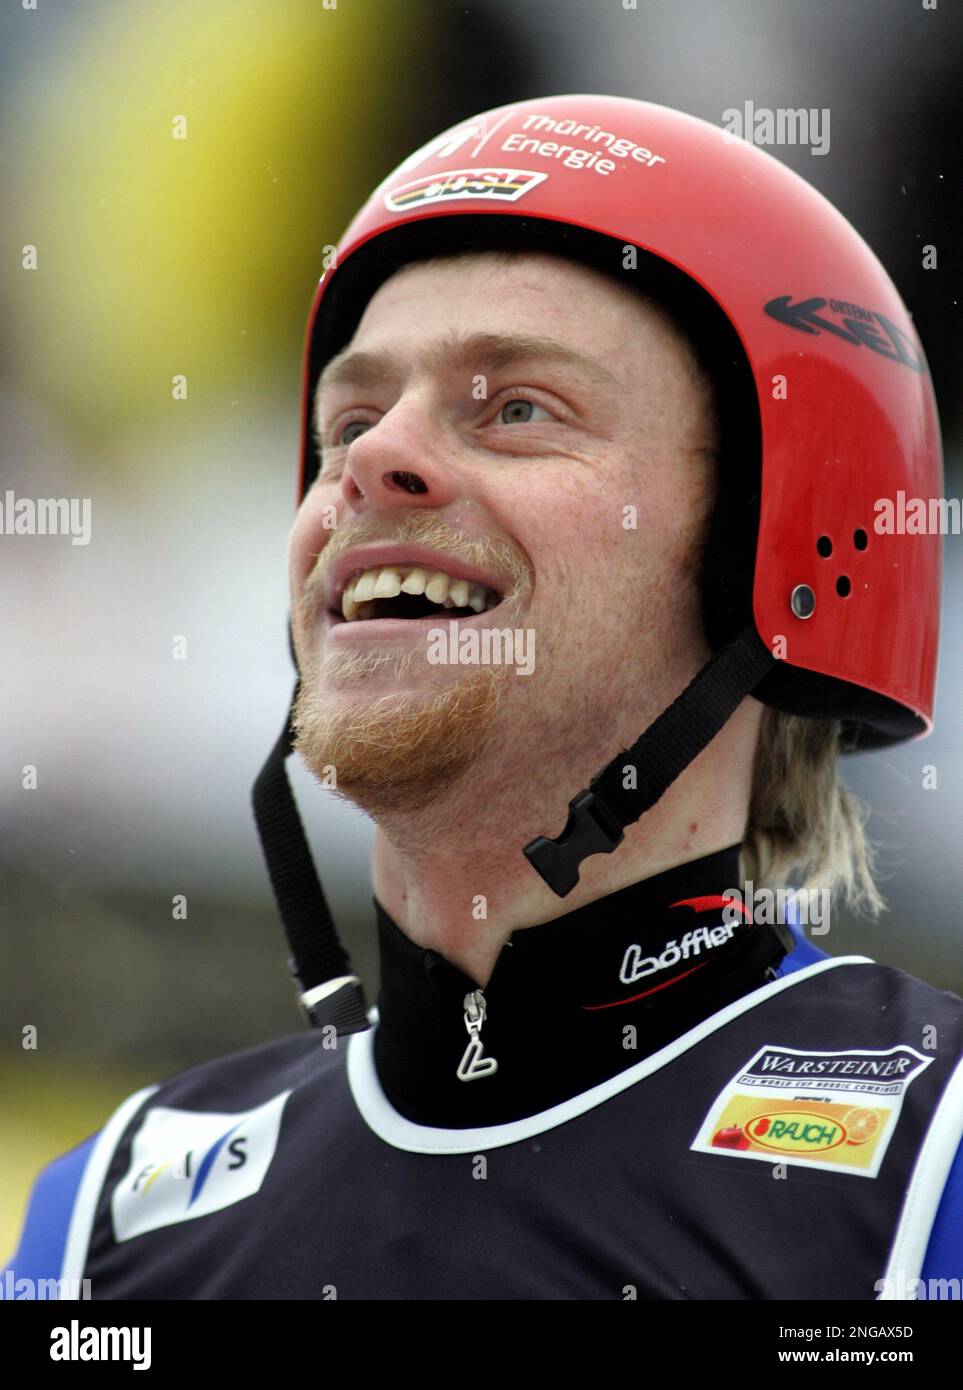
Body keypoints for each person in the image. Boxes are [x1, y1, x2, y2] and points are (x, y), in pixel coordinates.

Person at [6, 94, 962, 1301]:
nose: (361, 463)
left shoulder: (937, 1150)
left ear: (782, 551)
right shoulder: (103, 1228)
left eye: (517, 408)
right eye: (347, 418)